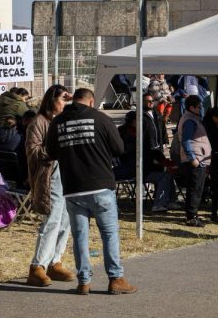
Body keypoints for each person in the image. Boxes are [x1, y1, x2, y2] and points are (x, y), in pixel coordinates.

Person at [46, 88, 136, 295]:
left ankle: (84, 281)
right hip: (100, 184)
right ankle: (115, 279)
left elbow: (51, 152)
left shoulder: (57, 122)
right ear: (91, 101)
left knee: (79, 236)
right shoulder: (100, 118)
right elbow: (119, 148)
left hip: (72, 187)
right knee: (109, 233)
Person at [25, 85, 75, 287]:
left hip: (66, 172)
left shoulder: (64, 120)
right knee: (52, 220)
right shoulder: (39, 122)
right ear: (52, 100)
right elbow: (32, 150)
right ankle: (38, 265)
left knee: (66, 220)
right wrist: (53, 151)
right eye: (63, 99)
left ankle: (55, 261)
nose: (65, 103)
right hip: (49, 173)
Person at [141, 93, 179, 213]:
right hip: (148, 153)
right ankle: (159, 203)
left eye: (152, 101)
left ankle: (171, 201)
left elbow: (161, 128)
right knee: (163, 175)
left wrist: (165, 142)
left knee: (169, 172)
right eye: (148, 101)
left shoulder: (157, 114)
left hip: (158, 150)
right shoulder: (140, 116)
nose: (150, 103)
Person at [178, 95, 212, 227]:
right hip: (196, 159)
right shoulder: (189, 121)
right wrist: (193, 158)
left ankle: (193, 214)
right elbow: (186, 140)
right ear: (191, 107)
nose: (201, 109)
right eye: (199, 107)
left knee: (197, 189)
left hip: (199, 158)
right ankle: (191, 216)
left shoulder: (193, 119)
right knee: (195, 189)